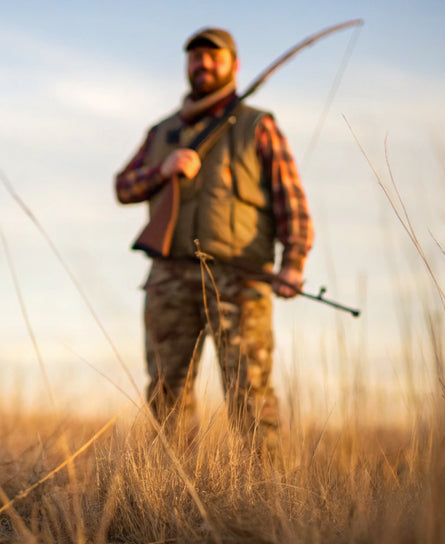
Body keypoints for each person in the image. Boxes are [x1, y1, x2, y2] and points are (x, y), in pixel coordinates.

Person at [114, 27, 313, 455]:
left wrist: (293, 261)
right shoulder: (161, 132)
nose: (203, 64)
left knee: (250, 392)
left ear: (234, 65)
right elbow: (123, 188)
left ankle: (267, 502)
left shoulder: (258, 125)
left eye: (214, 56)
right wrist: (162, 169)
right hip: (168, 275)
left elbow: (290, 200)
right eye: (196, 57)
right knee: (167, 392)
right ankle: (173, 499)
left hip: (240, 275)